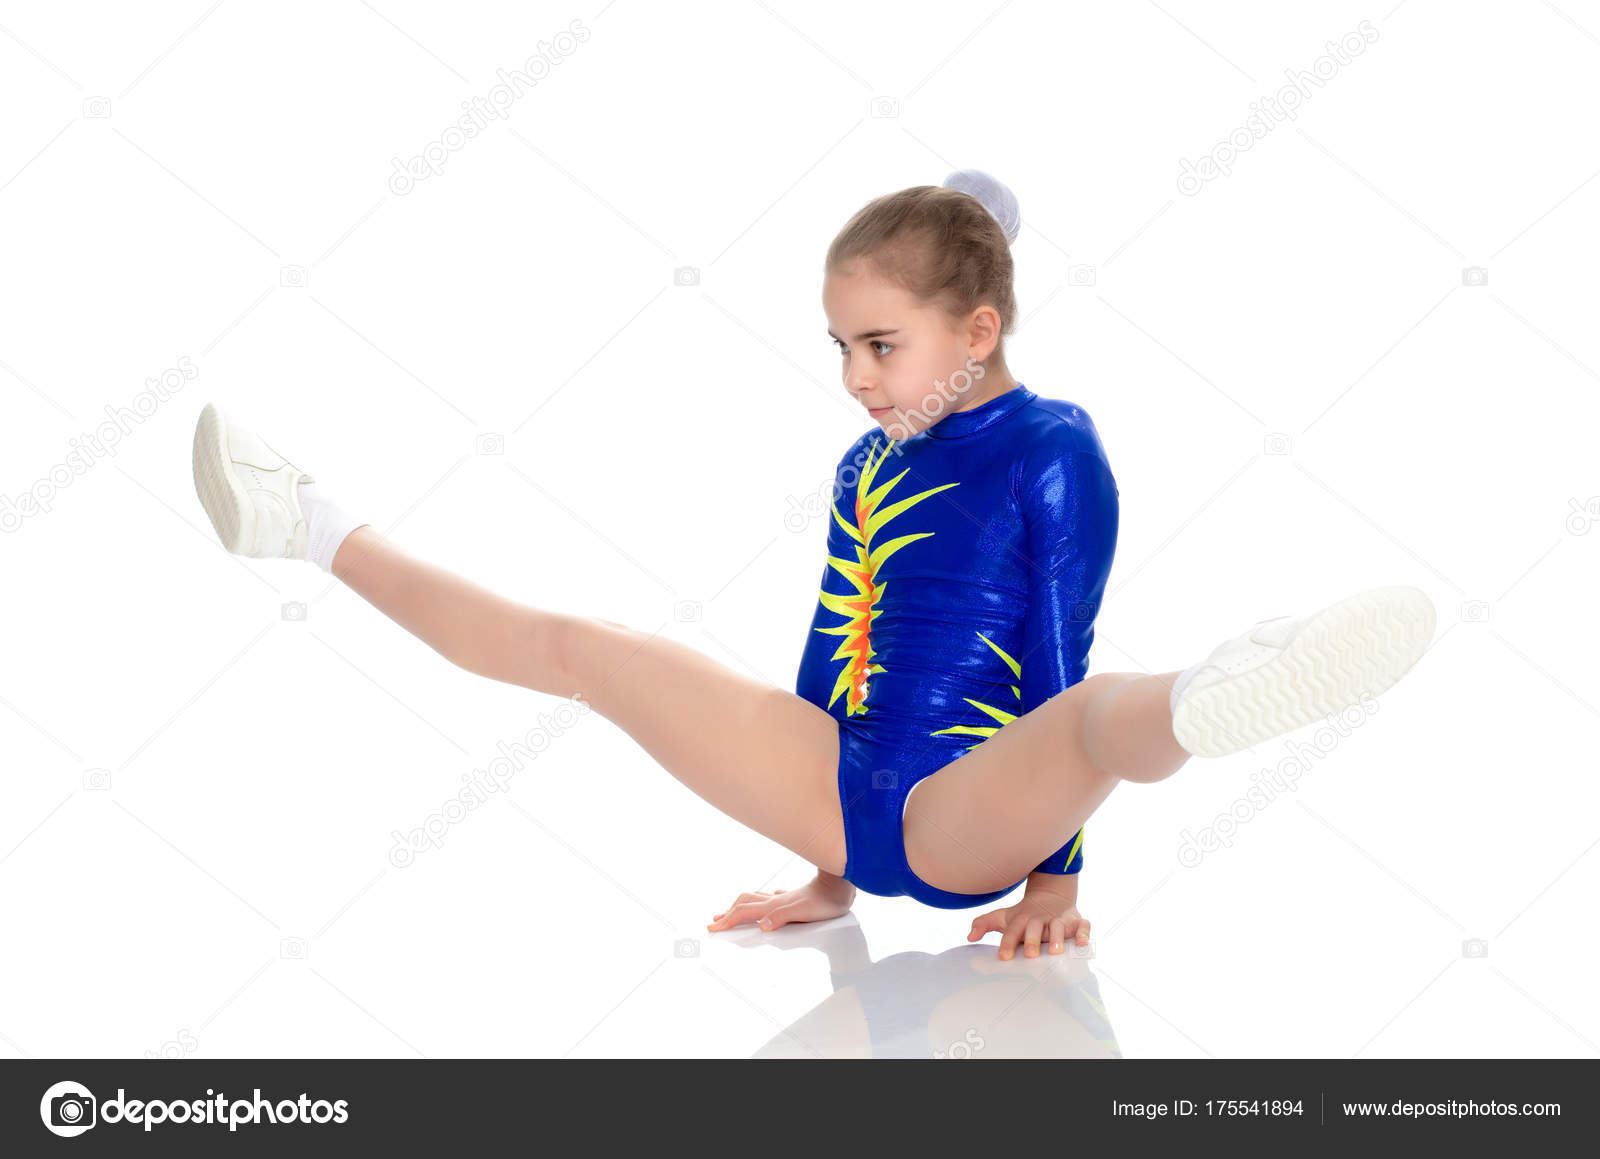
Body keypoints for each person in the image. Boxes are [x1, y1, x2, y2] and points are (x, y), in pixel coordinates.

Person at [189, 171, 1435, 962]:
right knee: (588, 651)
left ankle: (1220, 687)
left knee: (1099, 711)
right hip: (840, 787)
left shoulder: (1053, 446)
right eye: (842, 345)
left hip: (968, 815)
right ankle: (304, 521)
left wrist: (1053, 873)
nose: (853, 376)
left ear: (978, 329)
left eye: (880, 345)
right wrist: (827, 867)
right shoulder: (867, 465)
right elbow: (835, 637)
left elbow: (1061, 643)